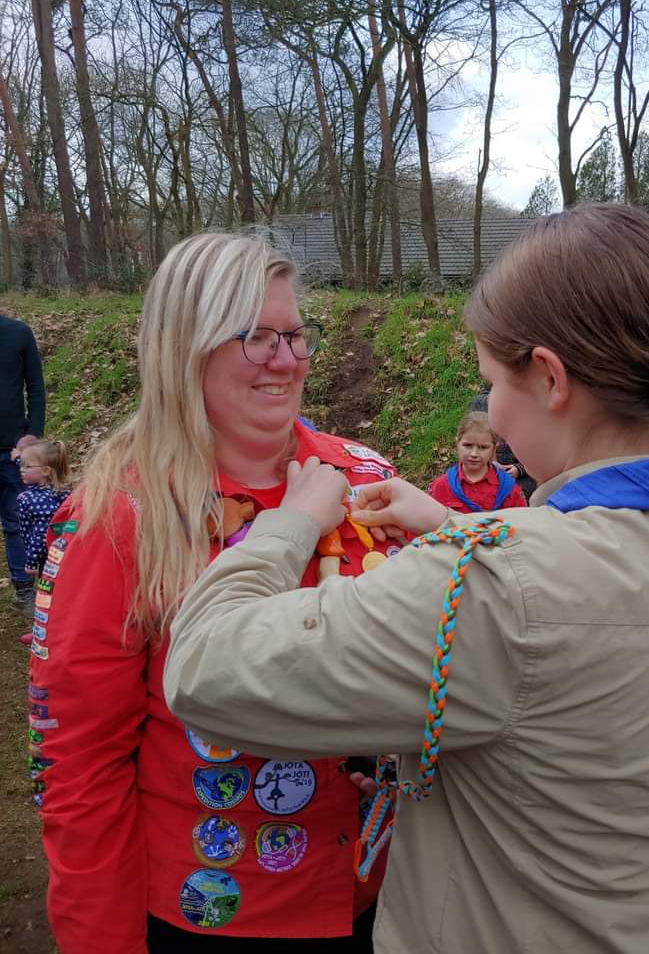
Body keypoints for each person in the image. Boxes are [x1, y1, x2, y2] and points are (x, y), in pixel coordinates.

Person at [165, 204, 649, 954]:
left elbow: (204, 668)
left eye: (492, 383)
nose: (490, 410)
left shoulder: (493, 587)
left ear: (551, 379)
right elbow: (608, 602)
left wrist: (288, 524)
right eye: (258, 337)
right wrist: (460, 527)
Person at [27, 233, 397, 954]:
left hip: (377, 896)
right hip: (214, 913)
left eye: (295, 336)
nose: (286, 361)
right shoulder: (120, 514)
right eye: (257, 338)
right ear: (185, 348)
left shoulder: (367, 480)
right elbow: (77, 765)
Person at [0, 309, 45, 615]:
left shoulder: (18, 332)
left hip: (13, 450)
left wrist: (32, 434)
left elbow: (37, 386)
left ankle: (23, 590)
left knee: (18, 520)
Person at [16, 439, 71, 645]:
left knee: (45, 595)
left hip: (45, 560)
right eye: (20, 464)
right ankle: (61, 631)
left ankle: (44, 633)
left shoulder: (28, 499)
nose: (21, 470)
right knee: (64, 594)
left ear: (47, 470)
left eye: (27, 466)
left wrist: (31, 562)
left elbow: (39, 533)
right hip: (67, 555)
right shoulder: (65, 493)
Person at [427, 410, 527, 512]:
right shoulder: (441, 487)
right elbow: (424, 522)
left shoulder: (509, 490)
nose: (474, 454)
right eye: (468, 445)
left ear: (494, 448)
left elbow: (524, 524)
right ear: (457, 443)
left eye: (483, 447)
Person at [470, 389, 536, 496]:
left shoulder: (527, 429)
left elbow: (537, 456)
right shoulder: (482, 431)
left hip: (521, 475)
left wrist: (518, 469)